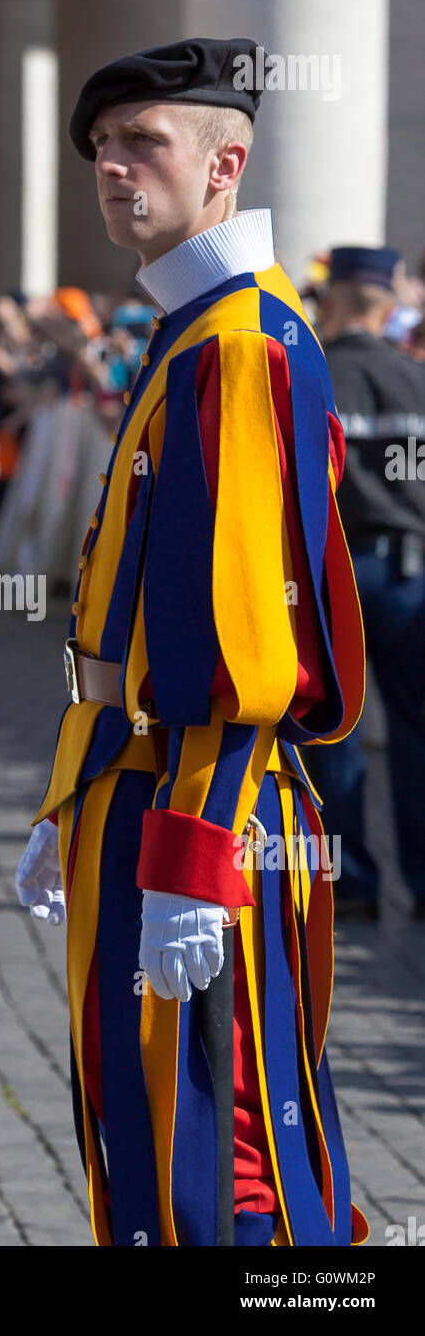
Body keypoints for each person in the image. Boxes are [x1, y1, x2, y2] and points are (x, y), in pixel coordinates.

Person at [14, 38, 368, 1248]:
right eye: (99, 150)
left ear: (225, 161)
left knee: (225, 1160)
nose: (111, 170)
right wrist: (71, 794)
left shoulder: (233, 346)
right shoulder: (186, 329)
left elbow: (240, 639)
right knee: (145, 1129)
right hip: (138, 785)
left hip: (197, 810)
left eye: (141, 144)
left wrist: (193, 847)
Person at [307, 247, 425, 920]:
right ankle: (424, 880)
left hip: (339, 573)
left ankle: (352, 882)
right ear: (386, 303)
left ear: (335, 300)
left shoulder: (317, 375)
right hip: (410, 570)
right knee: (415, 731)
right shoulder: (415, 379)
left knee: (339, 732)